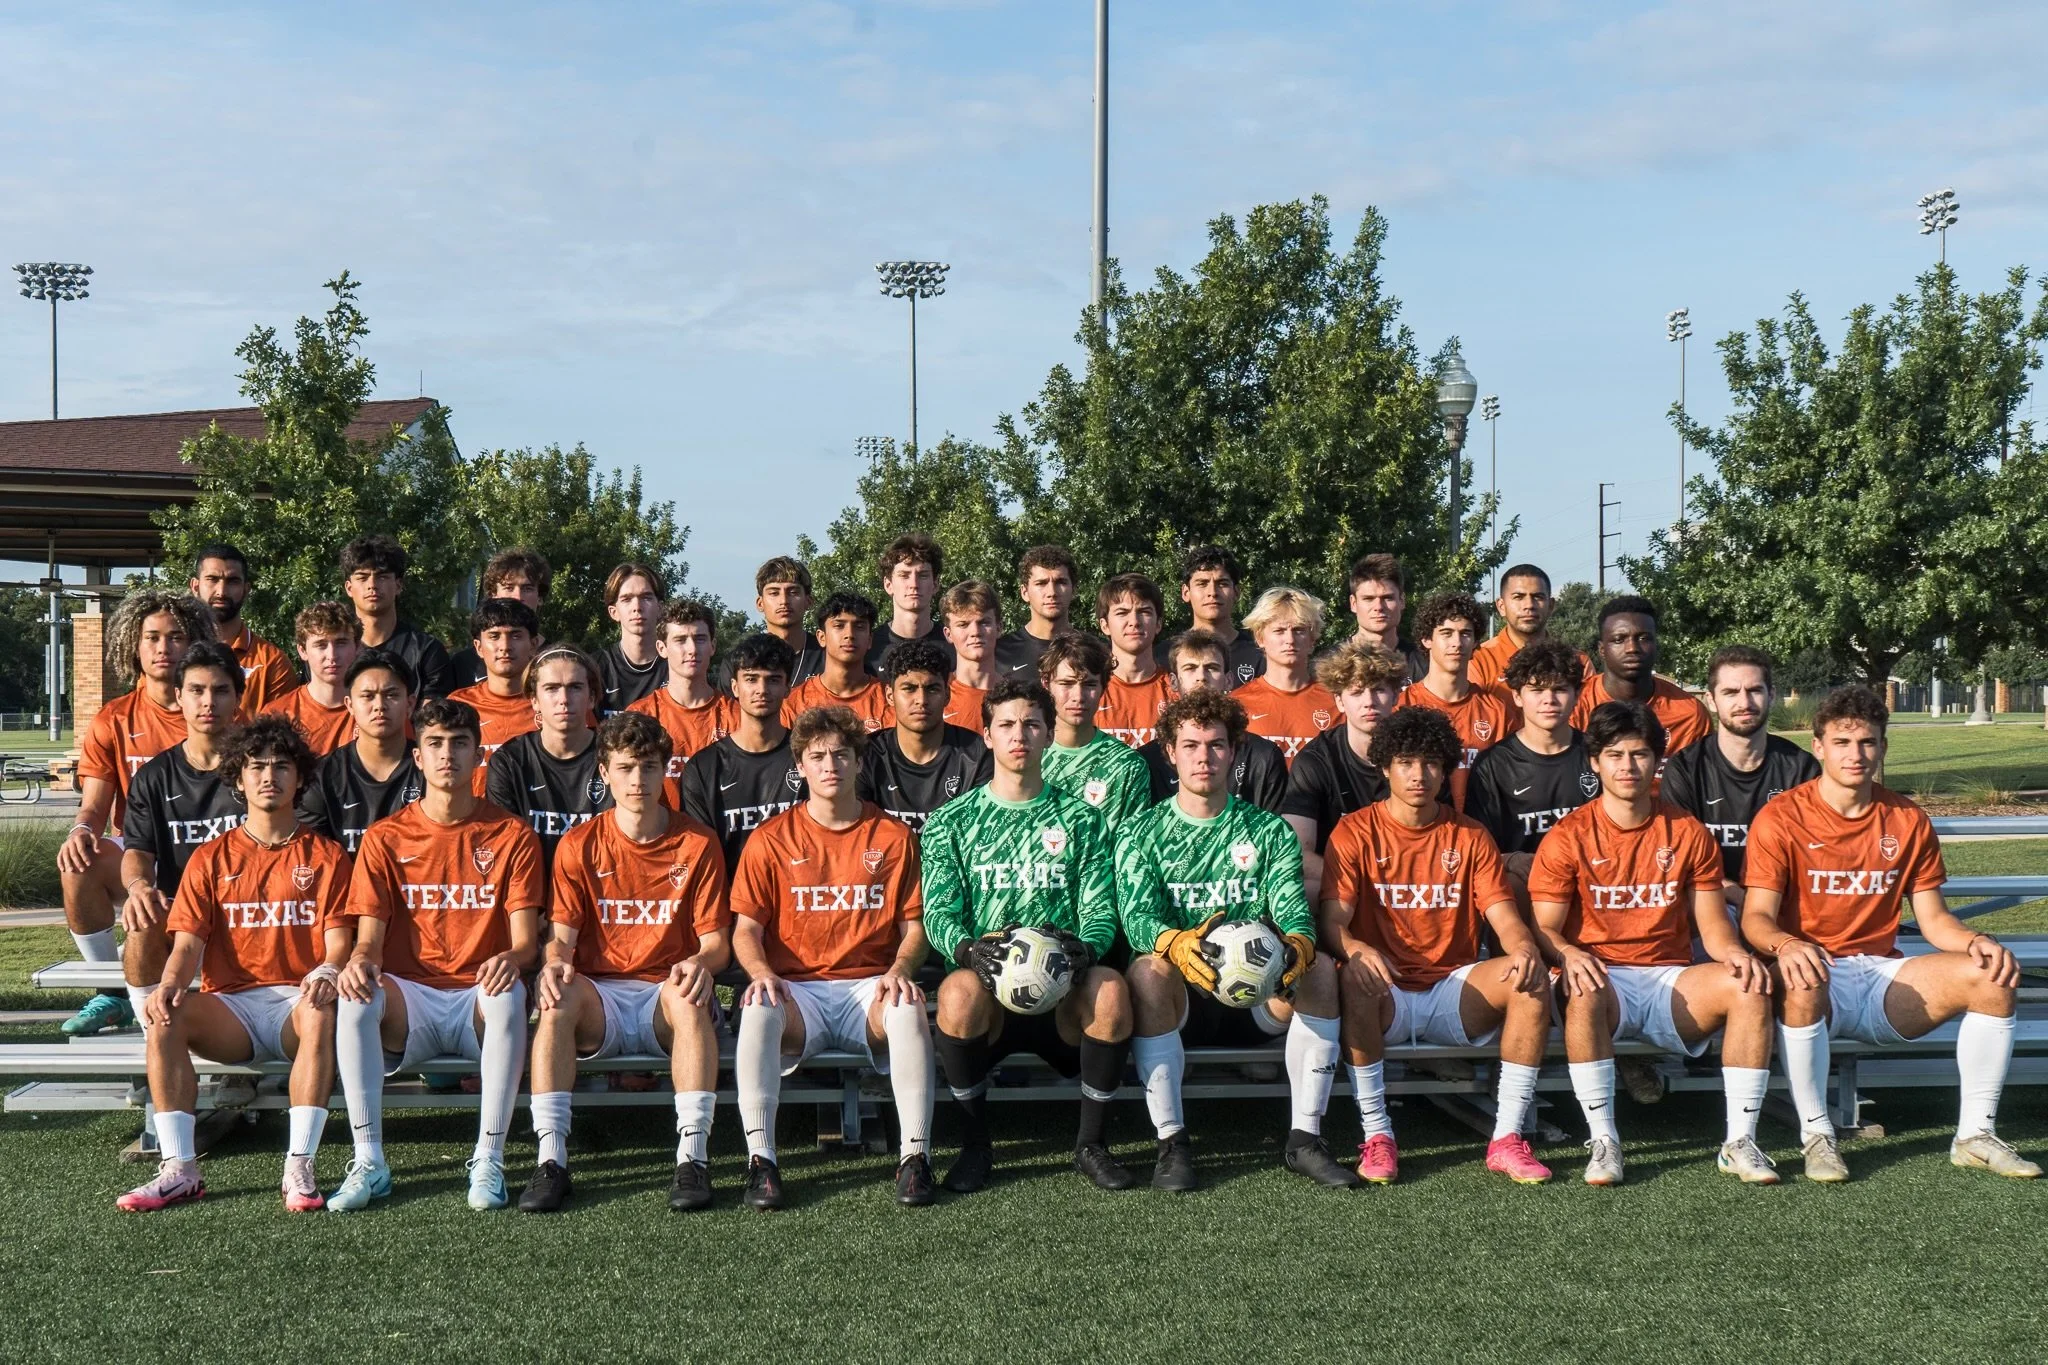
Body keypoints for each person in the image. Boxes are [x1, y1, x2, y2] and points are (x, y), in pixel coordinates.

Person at [1743, 684, 2039, 1182]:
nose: (1855, 755)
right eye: (1842, 742)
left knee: (1992, 976)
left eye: (1867, 743)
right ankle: (1818, 1137)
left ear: (1882, 746)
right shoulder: (1782, 816)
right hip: (1813, 977)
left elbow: (1934, 920)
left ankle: (1975, 1135)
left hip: (1881, 974)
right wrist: (1788, 945)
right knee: (1803, 977)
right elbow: (1755, 919)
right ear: (1819, 747)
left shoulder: (1906, 818)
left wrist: (1975, 943)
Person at [1527, 701, 1778, 1187]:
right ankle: (1604, 1139)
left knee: (1748, 986)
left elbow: (1714, 924)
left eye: (1639, 754)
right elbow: (1544, 928)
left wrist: (1735, 955)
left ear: (1657, 761)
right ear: (1594, 762)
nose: (1627, 766)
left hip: (1670, 975)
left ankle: (1740, 1140)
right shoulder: (1567, 836)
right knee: (1582, 988)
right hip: (1601, 977)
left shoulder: (1686, 830)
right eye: (1615, 755)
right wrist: (1570, 953)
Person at [115, 717, 352, 1213]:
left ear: (300, 778)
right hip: (233, 1008)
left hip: (297, 1004)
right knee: (164, 1017)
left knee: (321, 1009)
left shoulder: (327, 855)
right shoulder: (211, 857)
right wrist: (170, 986)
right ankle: (180, 1168)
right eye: (257, 766)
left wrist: (327, 971)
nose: (270, 776)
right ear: (238, 779)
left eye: (282, 766)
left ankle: (299, 1165)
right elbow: (186, 946)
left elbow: (337, 943)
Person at [1119, 690, 1351, 1190]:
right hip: (1180, 1001)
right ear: (1169, 752)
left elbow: (1292, 907)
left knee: (1322, 970)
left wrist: (1300, 942)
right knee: (1146, 968)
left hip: (1258, 995)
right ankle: (1172, 1143)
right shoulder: (1140, 832)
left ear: (1236, 750)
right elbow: (1136, 917)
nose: (1204, 757)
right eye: (1191, 745)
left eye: (1217, 745)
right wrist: (1174, 942)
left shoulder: (1269, 831)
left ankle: (1306, 1139)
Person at [1318, 708, 1554, 1185]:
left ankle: (1507, 1137)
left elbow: (1503, 916)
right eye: (1405, 761)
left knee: (1528, 982)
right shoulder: (1355, 831)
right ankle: (1378, 1132)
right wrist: (1356, 950)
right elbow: (1333, 921)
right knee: (1353, 974)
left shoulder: (1469, 833)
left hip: (1454, 987)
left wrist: (1526, 949)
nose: (1418, 774)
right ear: (1384, 767)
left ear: (1446, 768)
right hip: (1387, 993)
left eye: (1430, 763)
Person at [330, 696, 545, 1212]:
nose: (447, 755)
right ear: (418, 758)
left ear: (477, 756)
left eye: (459, 744)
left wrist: (511, 961)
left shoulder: (512, 835)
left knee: (508, 992)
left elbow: (526, 943)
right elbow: (368, 939)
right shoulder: (385, 838)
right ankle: (369, 1161)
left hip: (477, 1000)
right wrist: (360, 960)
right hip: (412, 1003)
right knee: (356, 995)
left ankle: (489, 1158)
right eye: (435, 745)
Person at [922, 678, 1133, 1193]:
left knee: (1110, 988)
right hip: (990, 1002)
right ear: (988, 735)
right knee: (955, 991)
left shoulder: (1083, 818)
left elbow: (1101, 908)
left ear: (1048, 733)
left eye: (1032, 724)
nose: (1020, 735)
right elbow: (938, 913)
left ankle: (1092, 1144)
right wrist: (968, 950)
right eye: (1008, 725)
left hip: (1062, 1000)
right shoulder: (951, 822)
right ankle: (975, 1146)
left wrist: (1088, 948)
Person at [516, 712, 731, 1213]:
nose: (639, 780)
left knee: (689, 992)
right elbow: (561, 937)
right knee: (556, 995)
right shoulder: (579, 844)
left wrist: (701, 962)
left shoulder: (697, 842)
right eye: (627, 768)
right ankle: (551, 1160)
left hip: (664, 993)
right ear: (605, 773)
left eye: (650, 767)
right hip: (602, 996)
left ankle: (693, 1157)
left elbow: (717, 942)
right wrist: (552, 963)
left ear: (666, 771)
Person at [728, 706, 935, 1209]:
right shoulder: (770, 839)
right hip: (798, 991)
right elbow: (745, 932)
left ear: (859, 762)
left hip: (869, 987)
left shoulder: (893, 837)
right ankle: (762, 1161)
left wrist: (900, 971)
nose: (829, 766)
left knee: (908, 1007)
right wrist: (760, 973)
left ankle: (916, 1158)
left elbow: (916, 928)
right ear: (799, 765)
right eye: (816, 756)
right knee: (756, 1003)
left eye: (841, 754)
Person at [59, 589, 209, 1037]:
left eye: (176, 636)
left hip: (205, 850)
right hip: (140, 852)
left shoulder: (213, 710)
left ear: (194, 641)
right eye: (152, 637)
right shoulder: (114, 718)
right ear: (133, 645)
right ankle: (113, 990)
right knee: (77, 861)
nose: (164, 648)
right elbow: (94, 805)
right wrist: (82, 829)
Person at [119, 641, 247, 1031]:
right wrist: (139, 886)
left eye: (221, 690)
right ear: (179, 697)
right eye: (197, 690)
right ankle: (153, 1032)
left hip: (248, 911)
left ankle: (242, 1059)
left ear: (238, 698)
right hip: (182, 915)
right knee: (143, 915)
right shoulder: (154, 777)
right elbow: (137, 850)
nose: (208, 702)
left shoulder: (260, 769)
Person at [1662, 645, 1820, 905]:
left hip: (1782, 904)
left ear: (1771, 696)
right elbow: (1683, 860)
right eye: (1731, 692)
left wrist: (1764, 909)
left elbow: (1810, 857)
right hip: (1709, 903)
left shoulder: (1801, 768)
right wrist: (1743, 900)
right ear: (1711, 700)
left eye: (1755, 690)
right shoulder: (1686, 769)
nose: (1744, 703)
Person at [1464, 637, 1600, 883]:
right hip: (1525, 891)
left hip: (1592, 887)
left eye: (1559, 689)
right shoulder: (1493, 766)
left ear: (1577, 694)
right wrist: (1512, 859)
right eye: (1537, 690)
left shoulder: (1598, 755)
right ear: (1517, 696)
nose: (1549, 700)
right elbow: (1476, 848)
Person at [1281, 642, 1401, 903]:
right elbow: (1298, 852)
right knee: (1299, 889)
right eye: (1356, 692)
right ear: (1339, 701)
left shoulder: (1417, 755)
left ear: (1396, 695)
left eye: (1379, 690)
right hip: (1341, 886)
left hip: (1406, 884)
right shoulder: (1316, 760)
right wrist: (1363, 886)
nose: (1369, 702)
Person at [680, 633, 805, 871]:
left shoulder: (810, 759)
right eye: (751, 679)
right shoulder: (703, 768)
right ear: (735, 687)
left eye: (773, 680)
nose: (762, 689)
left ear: (788, 688)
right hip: (730, 900)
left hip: (796, 901)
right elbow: (701, 857)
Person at [486, 646, 614, 869]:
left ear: (592, 698)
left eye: (575, 687)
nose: (564, 699)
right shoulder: (509, 761)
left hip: (599, 891)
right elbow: (506, 851)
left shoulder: (616, 757)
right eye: (551, 688)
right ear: (534, 700)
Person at [1136, 630, 1287, 812]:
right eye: (1190, 668)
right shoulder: (1147, 760)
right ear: (1174, 682)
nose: (1201, 677)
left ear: (1229, 680)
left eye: (1212, 668)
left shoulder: (1263, 757)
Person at [857, 639, 992, 831]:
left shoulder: (977, 755)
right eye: (909, 689)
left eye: (932, 689)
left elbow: (979, 835)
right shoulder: (866, 755)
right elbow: (859, 834)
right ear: (889, 695)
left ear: (947, 695)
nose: (921, 700)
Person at [300, 650, 424, 855]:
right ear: (349, 705)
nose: (379, 706)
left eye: (391, 695)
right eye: (367, 696)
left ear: (410, 704)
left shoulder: (431, 769)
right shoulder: (322, 777)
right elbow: (316, 861)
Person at [1397, 591, 1511, 812]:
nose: (1457, 643)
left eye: (1466, 633)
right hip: (1423, 832)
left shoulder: (1497, 711)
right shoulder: (1402, 706)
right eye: (1446, 633)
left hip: (1481, 834)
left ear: (1476, 641)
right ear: (1427, 639)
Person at [1570, 595, 1711, 764]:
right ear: (1602, 649)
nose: (1632, 648)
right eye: (1619, 640)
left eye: (1643, 638)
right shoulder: (1575, 704)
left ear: (1656, 644)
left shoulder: (1690, 714)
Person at [627, 598, 738, 808]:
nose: (692, 649)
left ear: (713, 646)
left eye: (700, 639)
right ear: (661, 648)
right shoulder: (641, 716)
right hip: (660, 835)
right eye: (680, 640)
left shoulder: (737, 715)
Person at [1038, 633, 1152, 833]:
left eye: (1089, 684)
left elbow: (1131, 848)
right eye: (1066, 683)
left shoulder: (1126, 766)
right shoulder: (1025, 756)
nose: (1078, 696)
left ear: (1104, 687)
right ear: (1046, 684)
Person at [188, 542, 298, 716]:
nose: (221, 591)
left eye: (232, 581)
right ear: (195, 586)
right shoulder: (172, 653)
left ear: (246, 589)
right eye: (212, 579)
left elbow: (279, 734)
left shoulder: (272, 662)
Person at [1233, 586, 1341, 764]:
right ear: (1260, 638)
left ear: (1312, 639)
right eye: (1279, 631)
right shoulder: (1237, 704)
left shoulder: (1337, 703)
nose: (1290, 640)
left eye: (1298, 630)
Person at [448, 598, 542, 795]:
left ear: (533, 644)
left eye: (515, 636)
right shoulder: (457, 706)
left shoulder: (555, 704)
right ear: (478, 647)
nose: (505, 646)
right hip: (472, 822)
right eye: (494, 636)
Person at [339, 535, 452, 698]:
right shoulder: (329, 652)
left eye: (382, 576)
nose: (372, 585)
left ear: (398, 585)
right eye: (362, 578)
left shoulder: (426, 651)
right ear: (349, 588)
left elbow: (433, 720)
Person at [1469, 564, 1589, 694]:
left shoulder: (1577, 661)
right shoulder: (1478, 660)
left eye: (1538, 597)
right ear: (1501, 606)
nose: (1529, 605)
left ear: (1551, 605)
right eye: (1518, 597)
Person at [262, 601, 362, 756]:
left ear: (357, 647)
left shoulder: (377, 707)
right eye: (321, 645)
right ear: (302, 651)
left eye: (341, 643)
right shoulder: (277, 715)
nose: (332, 656)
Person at [782, 592, 891, 732]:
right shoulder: (793, 703)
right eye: (839, 626)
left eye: (859, 627)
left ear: (870, 640)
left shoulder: (890, 700)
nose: (849, 635)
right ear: (821, 637)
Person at [447, 548, 552, 689]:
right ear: (492, 594)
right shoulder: (463, 664)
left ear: (540, 597)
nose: (518, 597)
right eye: (509, 588)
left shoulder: (560, 659)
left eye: (527, 589)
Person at [1094, 573, 1175, 748]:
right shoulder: (1088, 691)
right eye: (1122, 613)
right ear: (1104, 625)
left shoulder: (1178, 691)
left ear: (1158, 624)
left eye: (1144, 612)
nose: (1134, 622)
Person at [722, 556, 824, 691]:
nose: (784, 601)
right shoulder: (738, 660)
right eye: (774, 593)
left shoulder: (829, 657)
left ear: (808, 601)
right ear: (760, 603)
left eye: (793, 592)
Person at [1169, 545, 1263, 687]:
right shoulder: (1165, 655)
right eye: (1202, 583)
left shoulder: (1260, 654)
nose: (1212, 592)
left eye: (1222, 583)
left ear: (1236, 592)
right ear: (1186, 592)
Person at [866, 533, 954, 673]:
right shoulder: (868, 648)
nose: (914, 584)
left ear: (935, 584)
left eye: (923, 575)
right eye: (904, 576)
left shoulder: (956, 645)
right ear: (888, 584)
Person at [995, 545, 1084, 678]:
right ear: (1025, 592)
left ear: (1074, 590)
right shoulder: (998, 653)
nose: (1052, 592)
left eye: (1060, 582)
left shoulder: (1098, 651)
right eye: (1041, 583)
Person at [593, 563, 670, 714]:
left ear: (660, 608)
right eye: (626, 599)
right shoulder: (595, 668)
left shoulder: (677, 666)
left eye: (646, 597)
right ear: (613, 612)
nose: (637, 607)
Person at [1344, 554, 1426, 683]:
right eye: (1368, 599)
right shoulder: (1328, 665)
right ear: (1353, 603)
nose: (1378, 607)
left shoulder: (1426, 664)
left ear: (1402, 601)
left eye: (1388, 598)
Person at [939, 579, 1001, 727]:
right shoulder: (934, 693)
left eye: (984, 622)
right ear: (948, 634)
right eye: (963, 624)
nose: (975, 632)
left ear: (999, 628)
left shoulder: (1018, 696)